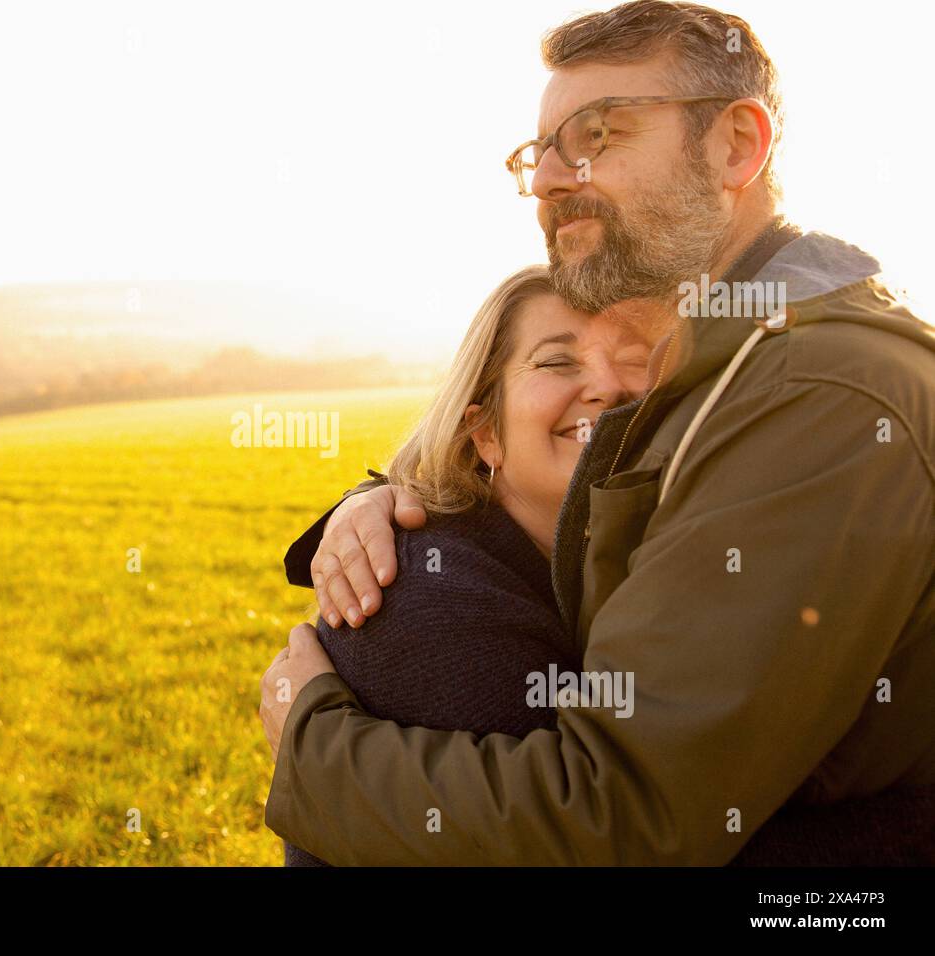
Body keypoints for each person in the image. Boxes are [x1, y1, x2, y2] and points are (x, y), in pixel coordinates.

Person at [259, 0, 935, 865]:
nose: (546, 178)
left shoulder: (813, 394)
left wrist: (318, 756)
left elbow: (628, 820)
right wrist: (394, 497)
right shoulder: (719, 376)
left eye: (597, 135)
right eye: (536, 153)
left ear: (736, 146)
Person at [282, 266, 655, 865]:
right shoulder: (436, 599)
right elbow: (582, 842)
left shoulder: (603, 565)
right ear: (485, 434)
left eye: (632, 358)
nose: (607, 386)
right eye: (559, 362)